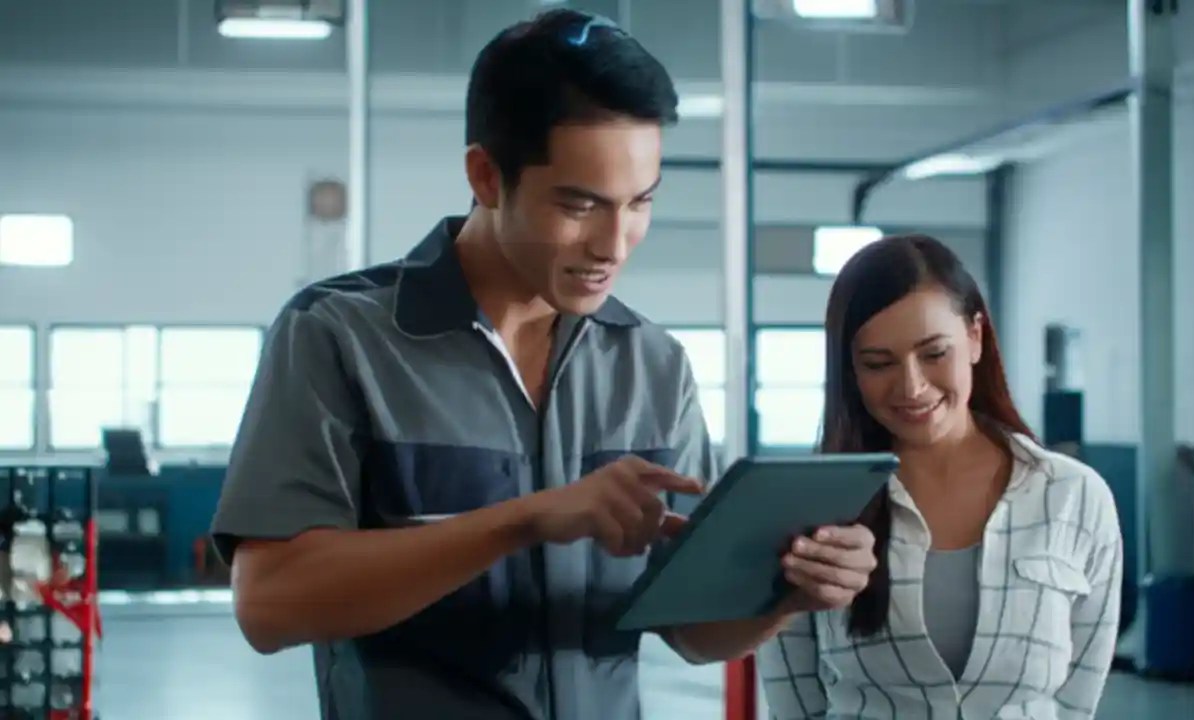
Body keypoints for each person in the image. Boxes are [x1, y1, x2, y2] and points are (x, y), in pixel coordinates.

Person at [210, 9, 872, 720]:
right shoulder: (340, 337)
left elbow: (696, 629)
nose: (615, 244)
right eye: (580, 205)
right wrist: (525, 520)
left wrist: (791, 589)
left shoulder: (653, 367)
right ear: (486, 175)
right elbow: (270, 602)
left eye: (640, 203)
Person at [752, 234, 1124, 719]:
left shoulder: (1074, 497)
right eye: (878, 363)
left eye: (933, 353)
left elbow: (1076, 700)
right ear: (850, 372)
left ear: (975, 337)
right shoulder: (808, 507)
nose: (911, 386)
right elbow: (795, 701)